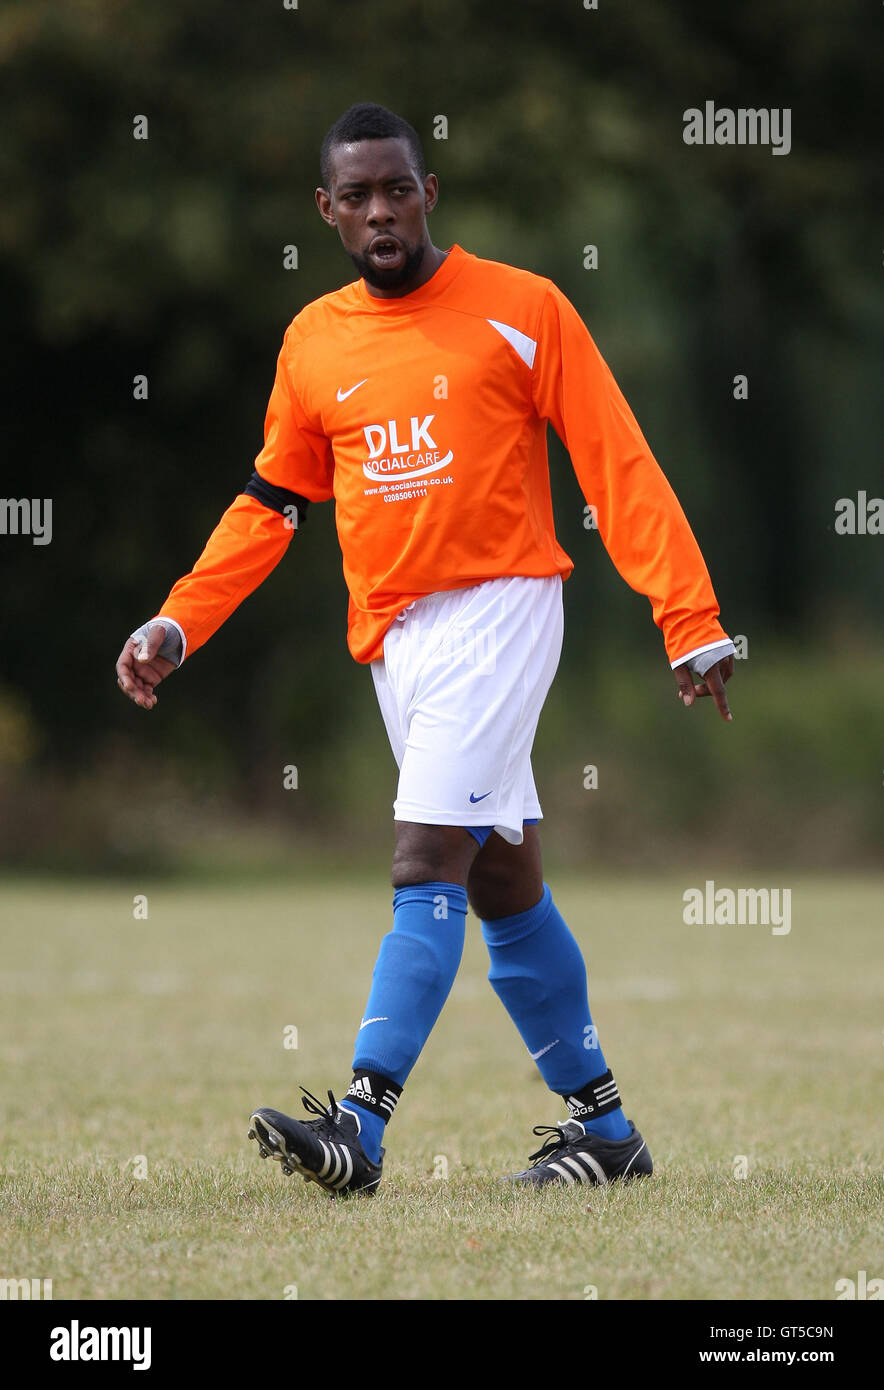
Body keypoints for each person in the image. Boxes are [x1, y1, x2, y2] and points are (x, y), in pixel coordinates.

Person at [116, 102, 734, 1197]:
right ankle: (606, 1130)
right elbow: (270, 503)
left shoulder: (522, 308)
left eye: (396, 187)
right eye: (354, 197)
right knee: (502, 880)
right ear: (327, 213)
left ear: (427, 192)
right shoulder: (313, 341)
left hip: (500, 610)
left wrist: (685, 618)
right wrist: (178, 620)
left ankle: (360, 1124)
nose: (379, 210)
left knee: (422, 864)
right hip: (394, 640)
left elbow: (614, 461)